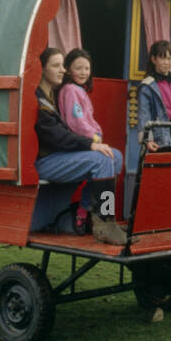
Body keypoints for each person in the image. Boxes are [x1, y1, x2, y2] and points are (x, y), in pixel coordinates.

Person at [32, 47, 126, 245]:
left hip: (60, 156)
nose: (62, 70)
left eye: (62, 66)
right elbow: (58, 137)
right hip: (45, 160)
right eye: (56, 66)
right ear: (42, 69)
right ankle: (105, 222)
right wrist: (91, 144)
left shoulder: (54, 95)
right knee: (102, 159)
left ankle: (94, 213)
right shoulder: (38, 100)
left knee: (115, 156)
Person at [56, 48, 107, 234]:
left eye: (87, 68)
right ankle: (89, 211)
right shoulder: (70, 90)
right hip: (75, 144)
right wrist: (94, 137)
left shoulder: (79, 90)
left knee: (110, 164)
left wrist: (98, 133)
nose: (84, 72)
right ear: (68, 70)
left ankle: (91, 209)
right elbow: (76, 122)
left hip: (85, 142)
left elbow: (88, 120)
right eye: (79, 68)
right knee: (107, 162)